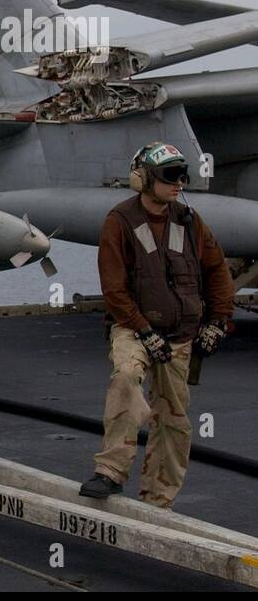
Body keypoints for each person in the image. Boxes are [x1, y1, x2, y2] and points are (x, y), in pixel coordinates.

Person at [79, 142, 234, 508]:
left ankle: (157, 501)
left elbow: (217, 272)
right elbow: (114, 289)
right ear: (144, 179)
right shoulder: (120, 222)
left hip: (180, 336)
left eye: (183, 175)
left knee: (174, 419)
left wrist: (218, 321)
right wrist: (145, 331)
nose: (179, 183)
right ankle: (111, 472)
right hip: (133, 329)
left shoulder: (189, 221)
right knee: (126, 377)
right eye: (170, 176)